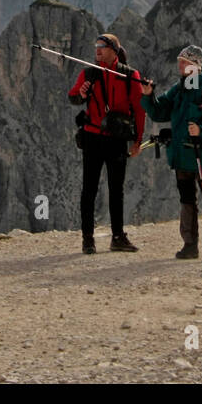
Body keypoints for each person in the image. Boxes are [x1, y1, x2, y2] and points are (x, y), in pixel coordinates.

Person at [141, 45, 202, 261]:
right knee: (186, 198)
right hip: (182, 156)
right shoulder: (179, 89)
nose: (180, 65)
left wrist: (201, 131)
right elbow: (158, 111)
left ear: (196, 65)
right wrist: (148, 96)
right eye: (180, 61)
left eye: (184, 61)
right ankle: (190, 245)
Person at [68, 33, 145, 254]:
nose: (97, 50)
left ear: (114, 49)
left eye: (102, 46)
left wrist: (137, 140)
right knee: (89, 189)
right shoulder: (89, 73)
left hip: (116, 140)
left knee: (116, 189)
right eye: (96, 46)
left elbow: (139, 110)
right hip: (92, 137)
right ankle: (88, 239)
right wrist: (81, 94)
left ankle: (118, 237)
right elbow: (73, 97)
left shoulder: (130, 75)